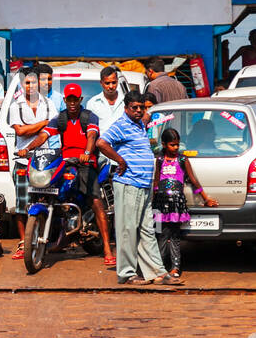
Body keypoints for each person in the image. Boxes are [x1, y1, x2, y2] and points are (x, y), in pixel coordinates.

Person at [18, 83, 115, 267]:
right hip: (66, 162)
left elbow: (92, 136)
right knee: (52, 191)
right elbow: (43, 136)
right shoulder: (59, 119)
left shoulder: (88, 117)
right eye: (69, 99)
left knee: (95, 201)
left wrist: (87, 152)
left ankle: (107, 249)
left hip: (86, 162)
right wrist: (27, 149)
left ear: (80, 99)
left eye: (75, 99)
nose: (72, 102)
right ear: (65, 100)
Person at [96, 90, 177, 286]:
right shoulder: (122, 125)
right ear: (126, 108)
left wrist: (149, 109)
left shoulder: (139, 123)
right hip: (129, 183)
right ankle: (126, 273)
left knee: (147, 229)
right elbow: (101, 142)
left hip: (143, 184)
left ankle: (157, 272)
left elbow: (148, 114)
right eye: (134, 108)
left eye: (141, 107)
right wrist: (120, 160)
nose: (139, 110)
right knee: (127, 229)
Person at [4, 69, 57, 256]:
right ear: (21, 85)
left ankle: (43, 240)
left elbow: (53, 128)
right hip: (22, 162)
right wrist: (43, 123)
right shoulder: (15, 106)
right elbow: (20, 132)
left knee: (45, 201)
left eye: (33, 82)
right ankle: (22, 243)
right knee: (21, 204)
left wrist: (38, 127)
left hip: (44, 160)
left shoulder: (48, 103)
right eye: (27, 83)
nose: (31, 86)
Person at [152, 128, 216, 281]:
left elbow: (193, 181)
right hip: (160, 205)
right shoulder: (159, 160)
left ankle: (175, 267)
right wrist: (152, 201)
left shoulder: (182, 160)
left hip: (176, 206)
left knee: (174, 236)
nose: (175, 148)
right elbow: (156, 182)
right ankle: (159, 268)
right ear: (164, 144)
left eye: (177, 145)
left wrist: (206, 199)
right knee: (160, 235)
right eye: (172, 145)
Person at [86, 65, 125, 133]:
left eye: (113, 82)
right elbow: (90, 130)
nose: (111, 86)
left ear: (117, 81)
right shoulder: (93, 103)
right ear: (101, 83)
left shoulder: (126, 101)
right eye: (107, 83)